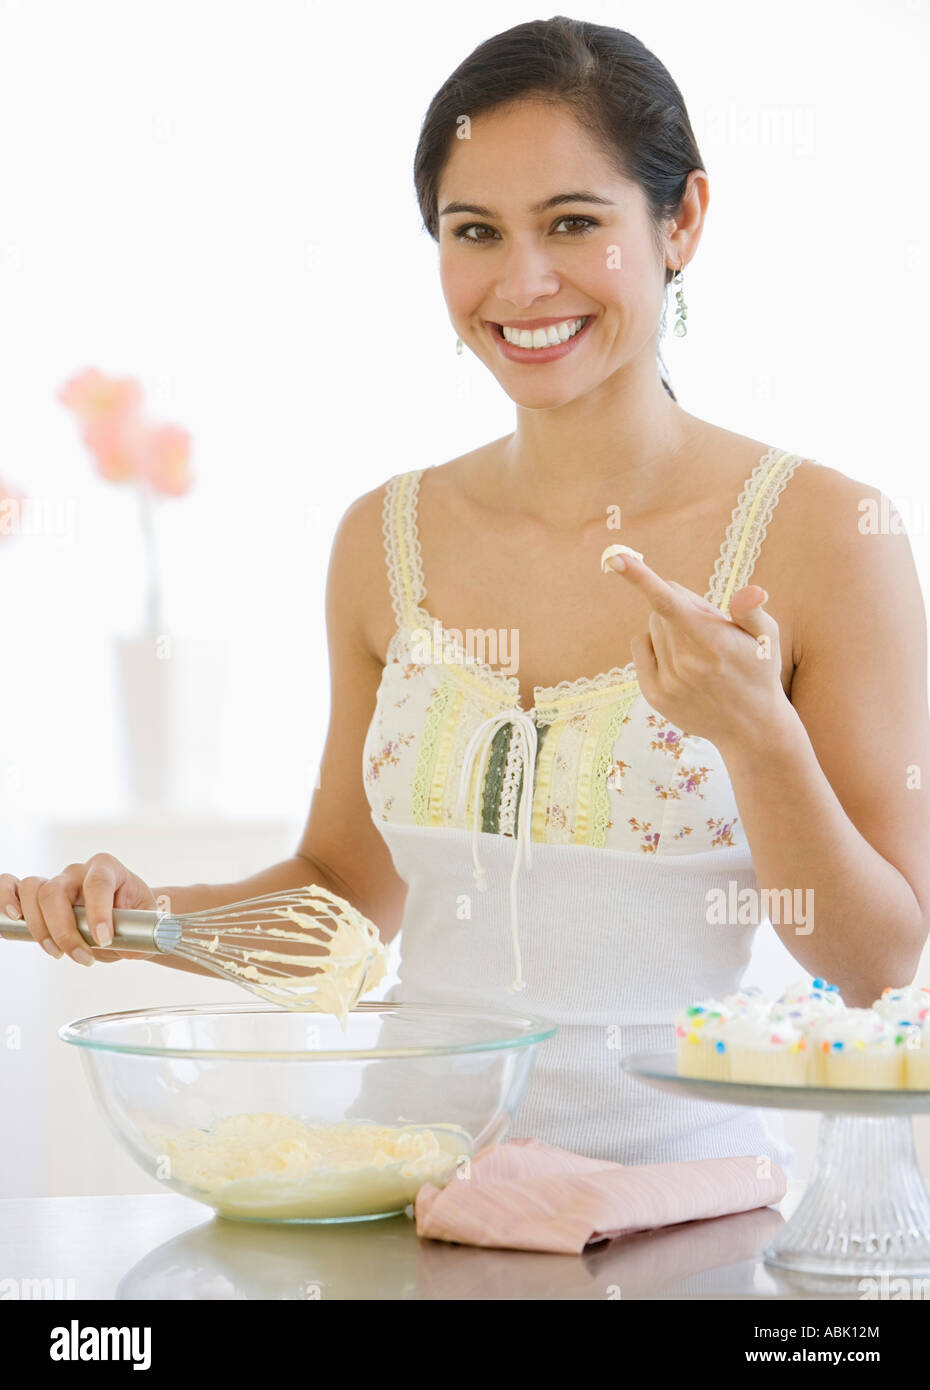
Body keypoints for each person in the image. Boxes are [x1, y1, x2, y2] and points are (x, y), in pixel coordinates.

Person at [4, 18, 929, 1173]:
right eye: (474, 231)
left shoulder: (827, 533)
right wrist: (141, 913)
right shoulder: (380, 538)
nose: (522, 282)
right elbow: (346, 897)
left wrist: (759, 734)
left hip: (681, 1219)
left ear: (681, 219)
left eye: (574, 224)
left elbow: (873, 961)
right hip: (399, 1192)